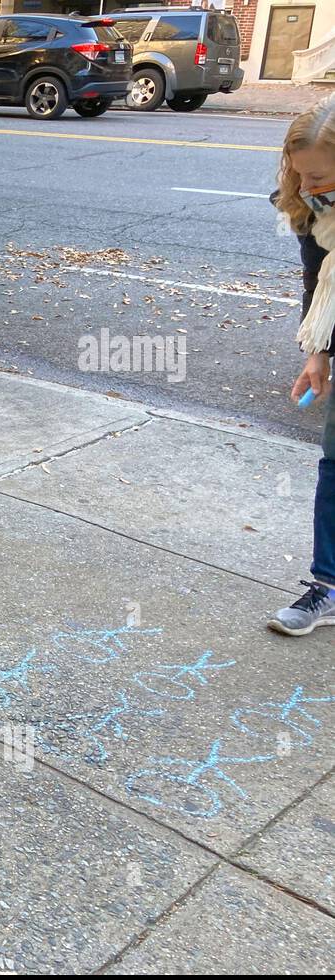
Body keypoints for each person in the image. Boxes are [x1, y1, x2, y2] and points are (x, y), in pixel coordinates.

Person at [268, 100, 335, 636]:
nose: (308, 184)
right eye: (299, 173)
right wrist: (319, 353)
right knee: (334, 464)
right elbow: (318, 284)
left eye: (318, 175)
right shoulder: (310, 207)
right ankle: (328, 586)